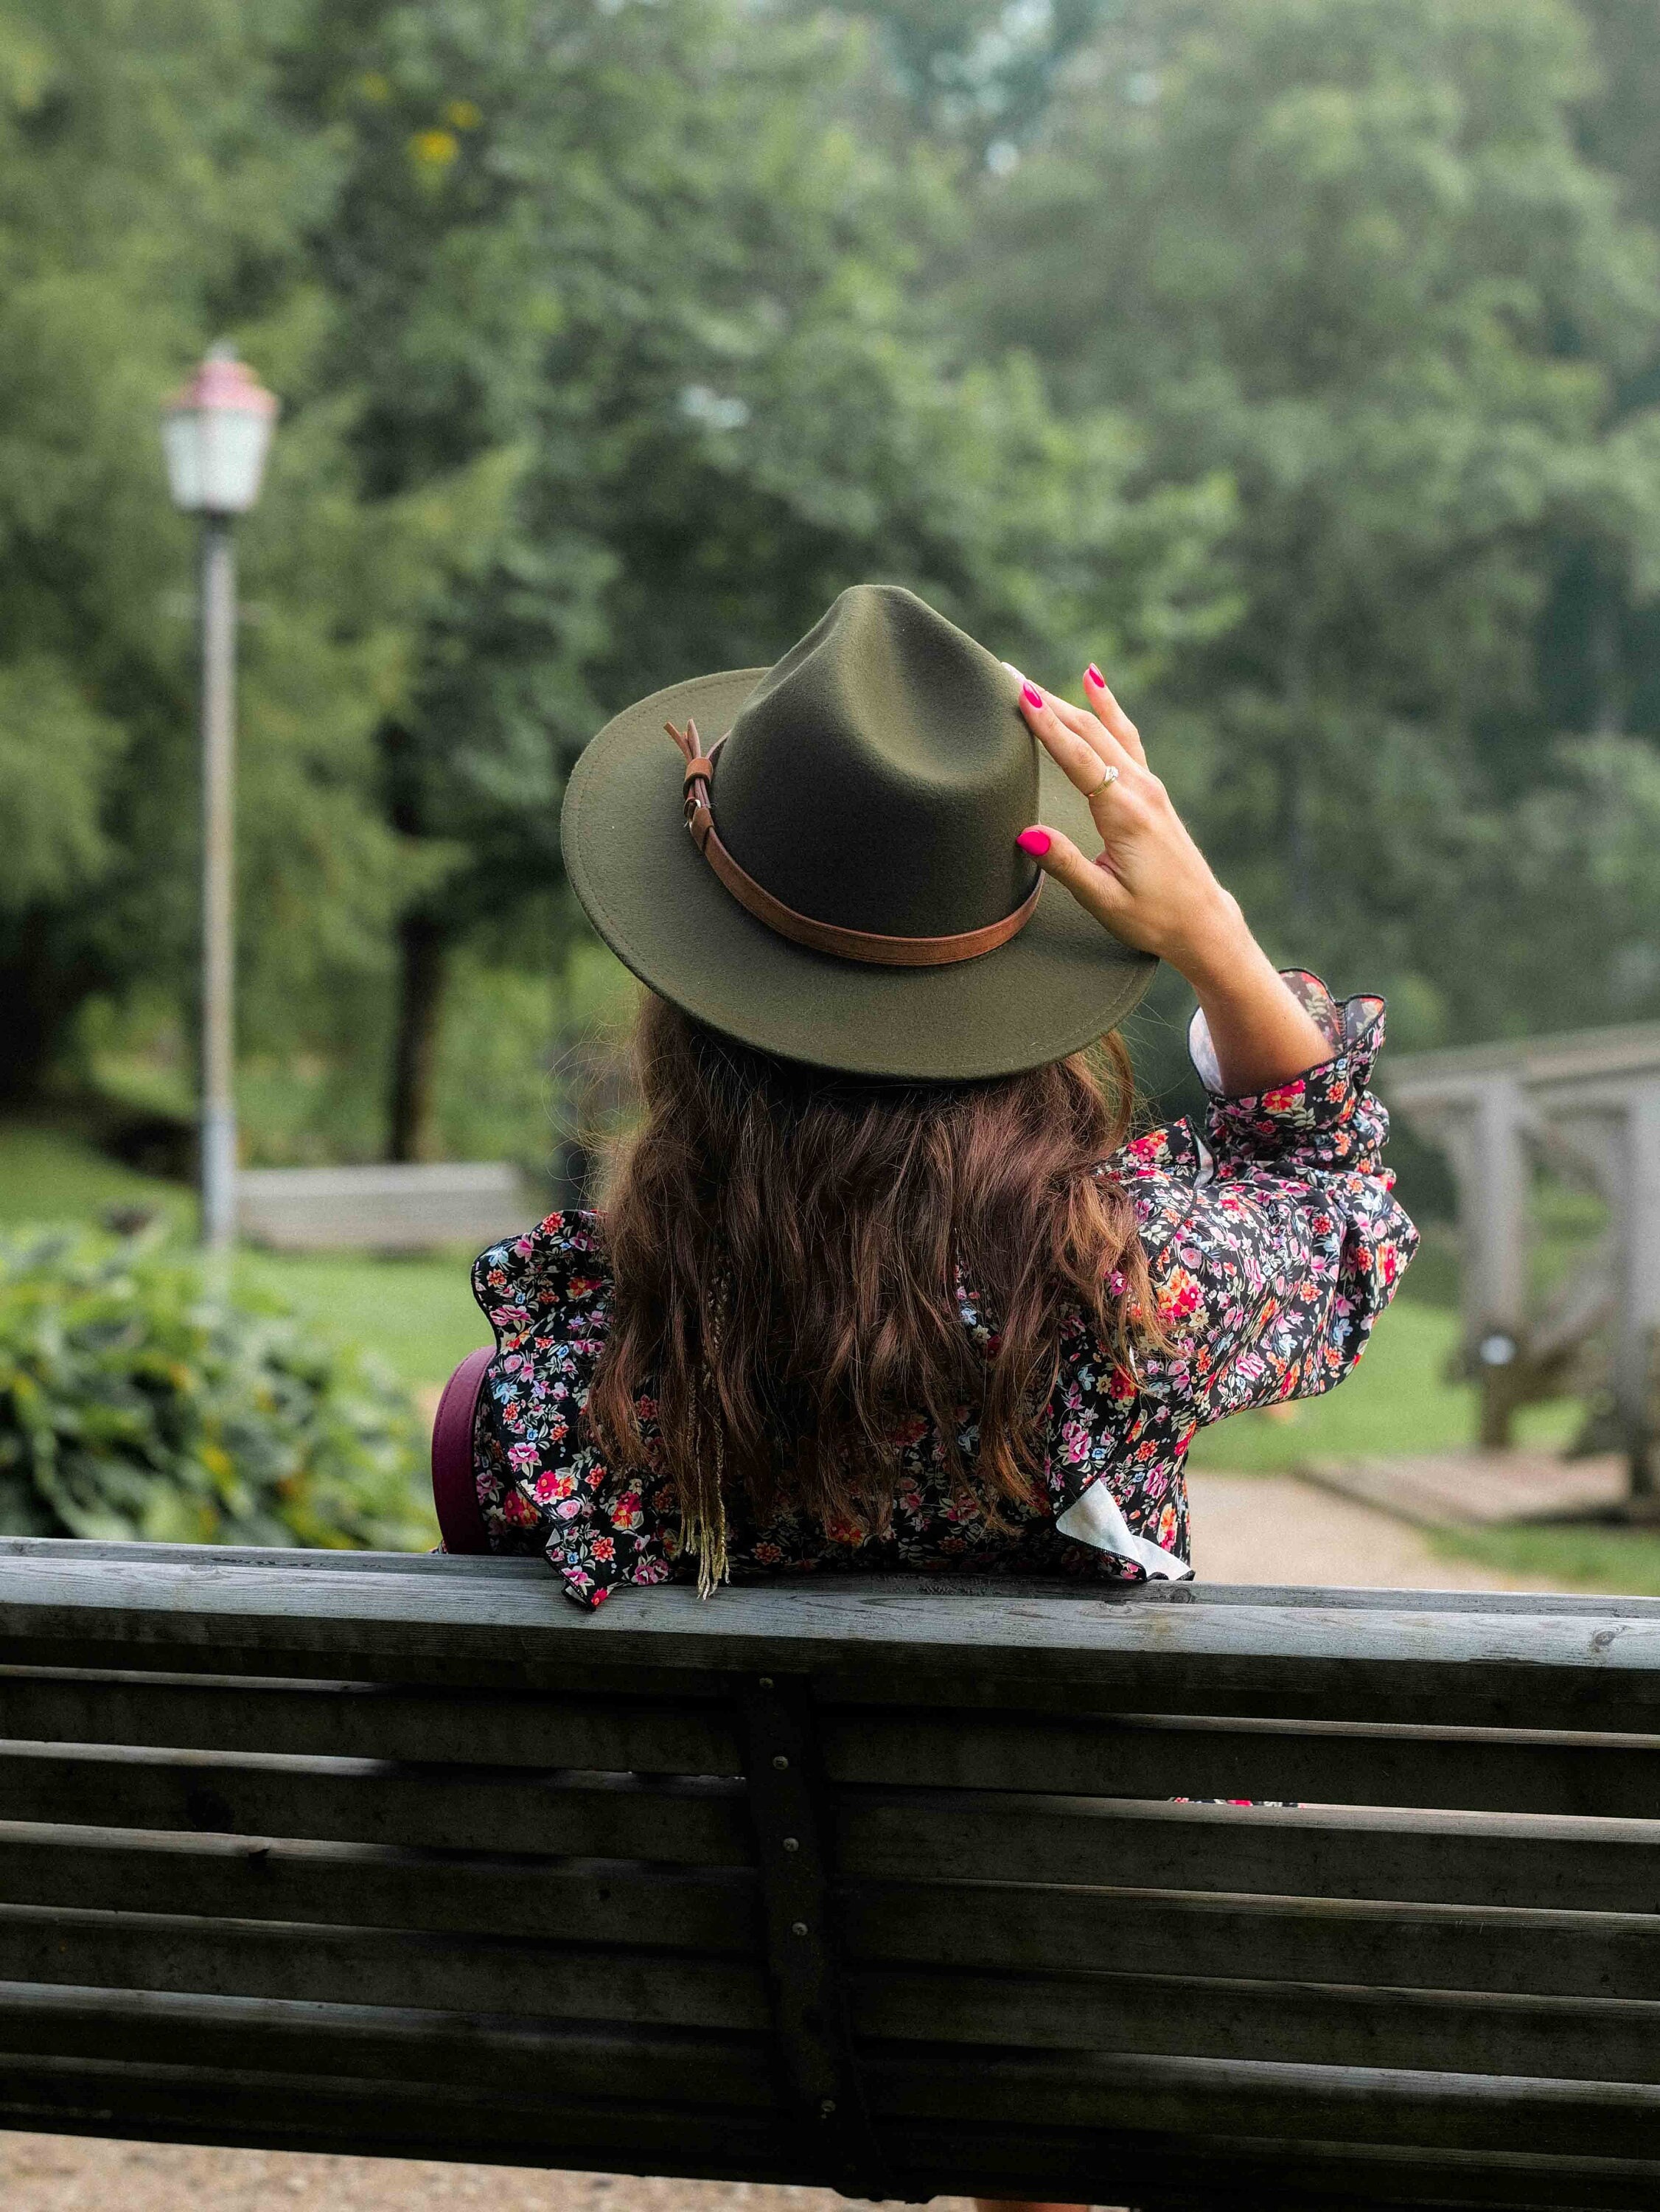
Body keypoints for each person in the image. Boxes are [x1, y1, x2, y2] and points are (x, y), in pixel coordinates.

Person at [447, 582, 1416, 1607]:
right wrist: (1213, 931)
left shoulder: (590, 1358)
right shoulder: (1124, 1302)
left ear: (691, 1000)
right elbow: (1337, 1202)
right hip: (1076, 1779)